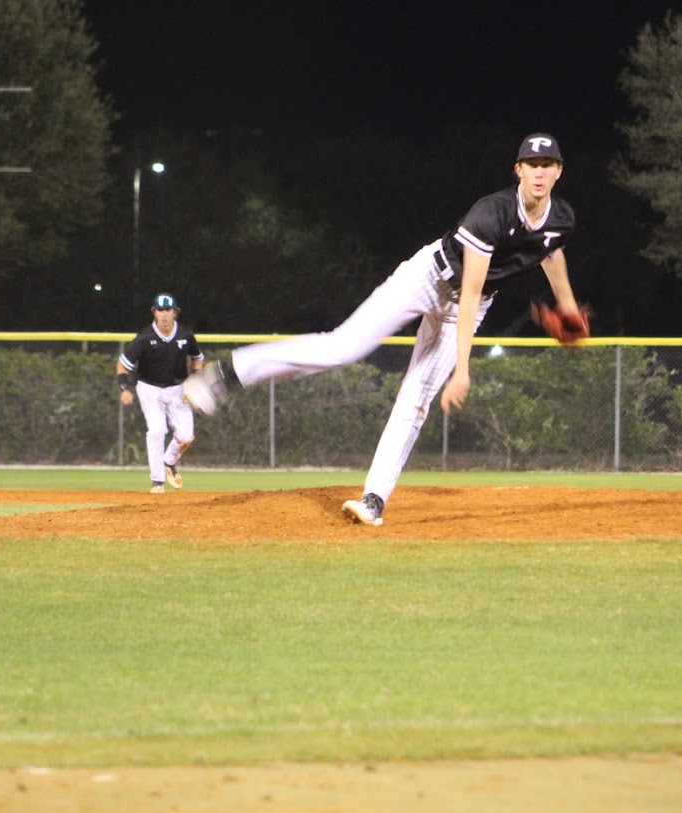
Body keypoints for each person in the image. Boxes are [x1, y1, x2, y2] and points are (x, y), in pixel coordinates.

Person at [183, 133, 584, 525]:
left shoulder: (561, 219)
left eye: (547, 165)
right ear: (518, 169)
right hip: (429, 279)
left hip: (470, 305)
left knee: (417, 399)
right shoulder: (492, 212)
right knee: (342, 347)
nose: (539, 172)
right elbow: (471, 288)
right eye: (532, 164)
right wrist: (462, 369)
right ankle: (227, 374)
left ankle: (373, 499)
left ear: (559, 172)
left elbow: (549, 252)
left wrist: (567, 306)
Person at [118, 293, 204, 494]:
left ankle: (169, 461)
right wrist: (124, 388)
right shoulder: (145, 337)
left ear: (175, 312)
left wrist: (196, 378)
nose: (164, 314)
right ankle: (157, 481)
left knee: (186, 436)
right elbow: (122, 365)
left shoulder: (185, 335)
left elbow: (197, 358)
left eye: (167, 310)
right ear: (154, 312)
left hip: (178, 389)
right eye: (160, 310)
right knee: (157, 431)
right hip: (150, 388)